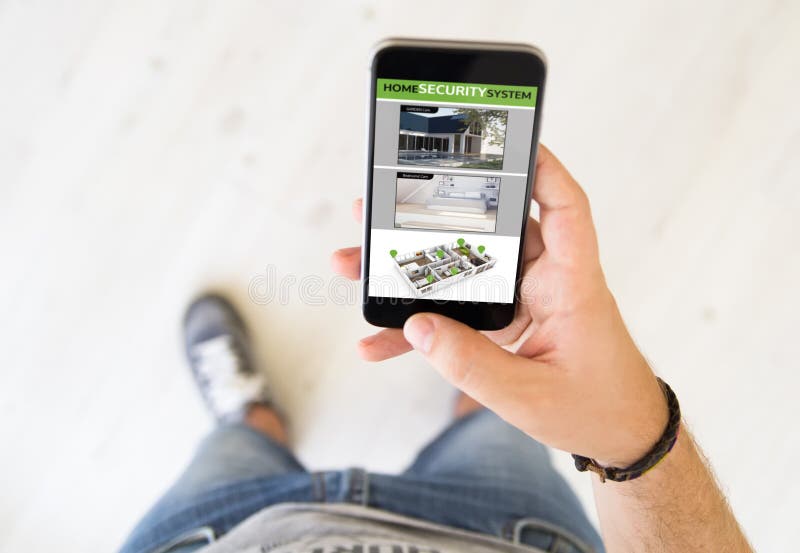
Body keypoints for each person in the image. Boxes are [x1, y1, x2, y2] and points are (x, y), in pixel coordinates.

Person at [119, 146, 753, 553]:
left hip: (208, 536)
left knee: (234, 449)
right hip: (513, 527)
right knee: (498, 424)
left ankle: (252, 418)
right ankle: (493, 376)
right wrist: (635, 440)